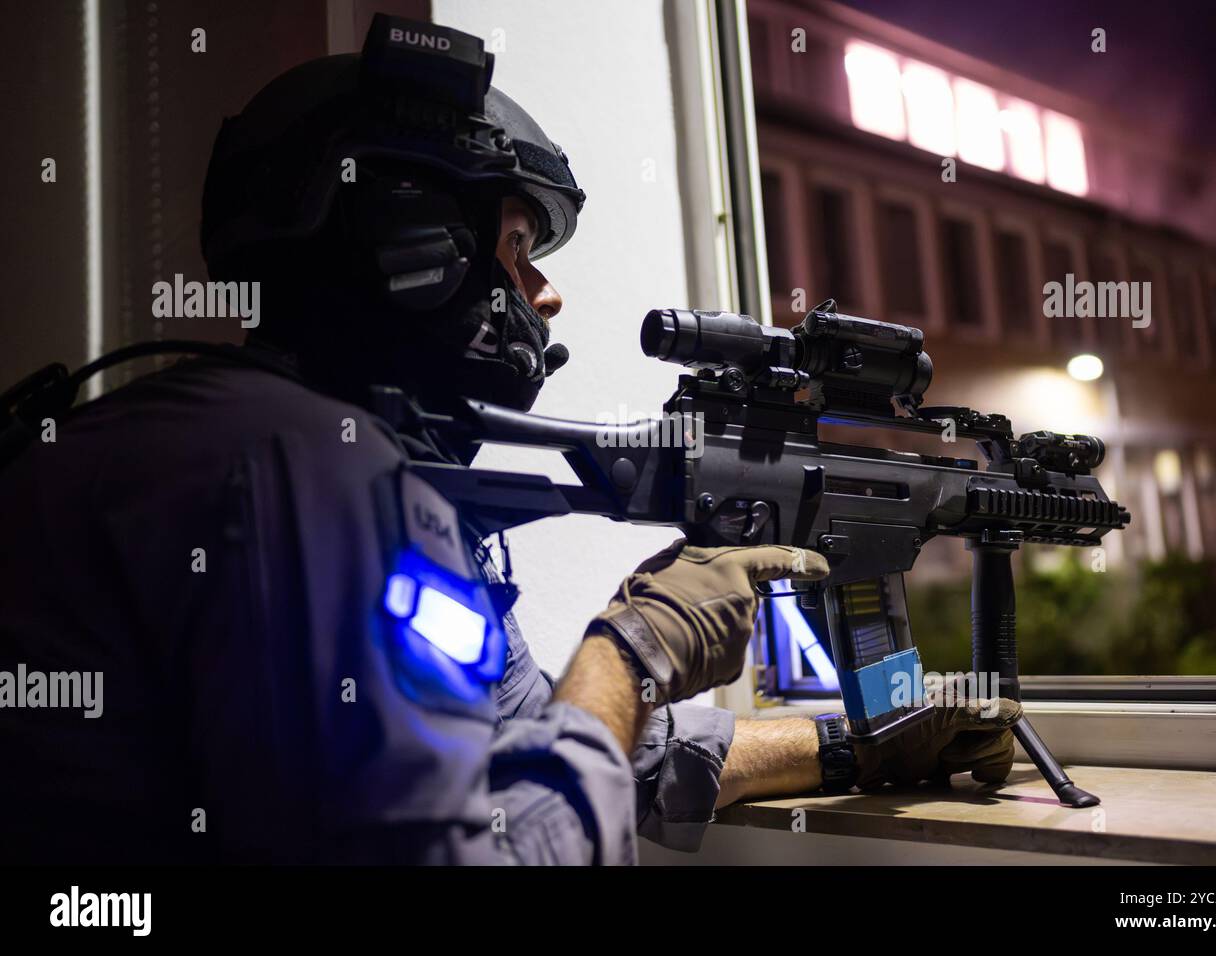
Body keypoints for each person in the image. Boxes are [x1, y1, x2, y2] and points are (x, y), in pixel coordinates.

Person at [0, 15, 1016, 865]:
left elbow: (534, 741)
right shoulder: (309, 476)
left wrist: (855, 750)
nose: (547, 292)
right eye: (520, 247)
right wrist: (635, 646)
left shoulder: (253, 439)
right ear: (414, 247)